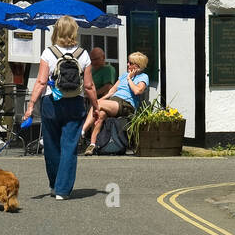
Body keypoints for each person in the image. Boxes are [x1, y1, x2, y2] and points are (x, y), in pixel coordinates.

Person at [22, 16, 97, 199]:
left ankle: (55, 185)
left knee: (51, 145)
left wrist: (31, 106)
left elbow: (40, 82)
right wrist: (96, 105)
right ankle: (63, 191)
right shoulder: (83, 54)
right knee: (69, 146)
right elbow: (88, 86)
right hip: (75, 103)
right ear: (74, 32)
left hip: (51, 104)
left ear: (56, 31)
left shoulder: (48, 53)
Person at [84, 52, 149, 155]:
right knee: (100, 114)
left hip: (126, 105)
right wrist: (99, 100)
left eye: (130, 63)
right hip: (114, 102)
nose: (128, 64)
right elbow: (112, 91)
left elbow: (137, 91)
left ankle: (82, 131)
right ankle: (92, 144)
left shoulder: (143, 77)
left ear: (137, 65)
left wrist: (129, 79)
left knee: (98, 105)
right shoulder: (124, 75)